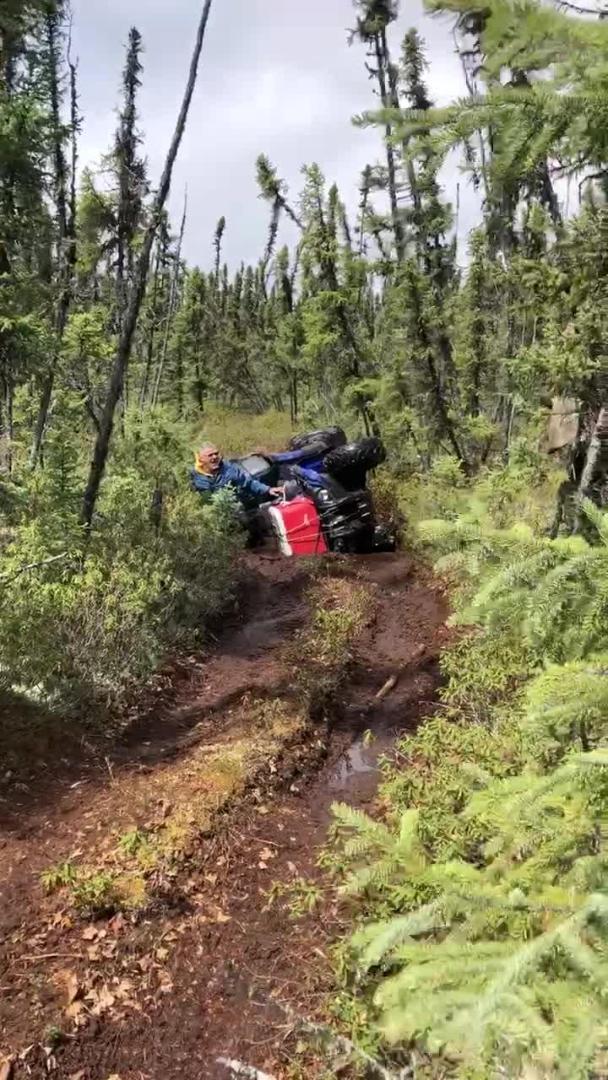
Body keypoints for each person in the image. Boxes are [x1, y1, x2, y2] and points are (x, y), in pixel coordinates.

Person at [190, 443, 284, 506]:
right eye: (210, 455)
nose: (215, 457)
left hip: (234, 507)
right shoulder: (195, 477)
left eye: (216, 453)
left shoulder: (228, 468)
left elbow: (247, 482)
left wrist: (268, 490)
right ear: (200, 459)